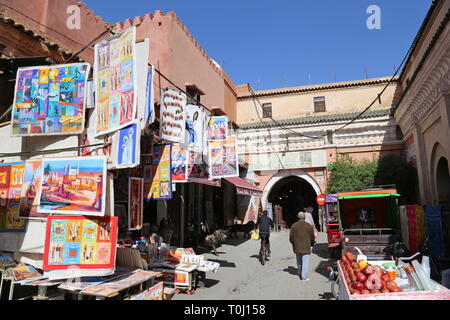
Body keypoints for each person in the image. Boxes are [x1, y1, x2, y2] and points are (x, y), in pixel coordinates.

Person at [290, 211, 315, 281]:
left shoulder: (294, 226)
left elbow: (291, 237)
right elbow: (312, 237)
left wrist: (293, 243)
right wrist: (312, 244)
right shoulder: (309, 226)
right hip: (306, 246)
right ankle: (304, 276)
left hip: (297, 247)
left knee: (299, 260)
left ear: (298, 217)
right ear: (304, 217)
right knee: (305, 261)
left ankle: (299, 271)